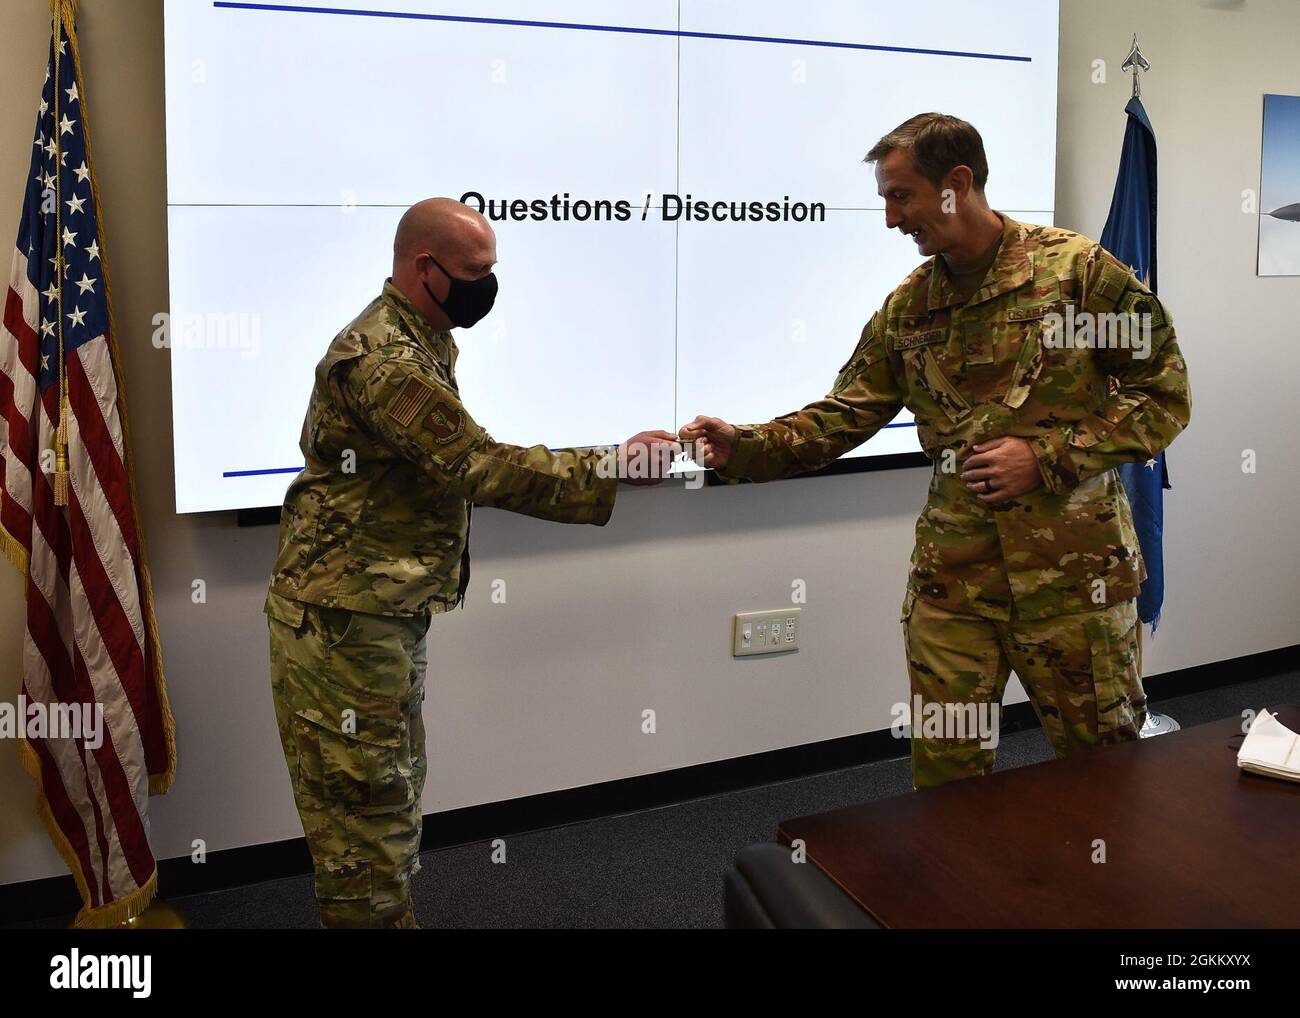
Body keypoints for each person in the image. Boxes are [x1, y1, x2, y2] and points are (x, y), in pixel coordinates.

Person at [680, 113, 1191, 791]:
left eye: (901, 196)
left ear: (957, 183)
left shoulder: (1079, 275)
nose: (892, 220)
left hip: (1074, 587)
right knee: (947, 786)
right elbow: (844, 416)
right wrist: (742, 446)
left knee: (1103, 776)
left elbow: (1164, 396)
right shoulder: (910, 307)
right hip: (954, 589)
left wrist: (1047, 457)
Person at [265, 197, 677, 928]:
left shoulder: (421, 332)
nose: (487, 287)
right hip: (344, 625)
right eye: (473, 273)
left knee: (389, 797)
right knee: (363, 827)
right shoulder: (386, 360)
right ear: (423, 267)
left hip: (379, 613)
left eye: (493, 271)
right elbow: (476, 465)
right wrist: (615, 464)